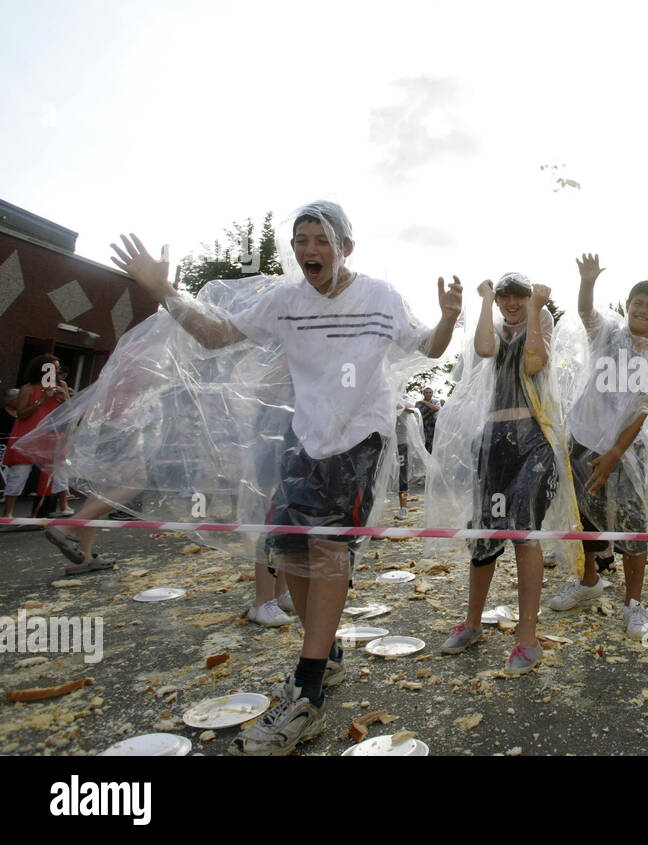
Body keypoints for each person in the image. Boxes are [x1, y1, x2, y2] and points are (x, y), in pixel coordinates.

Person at [110, 201, 462, 755]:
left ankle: (307, 690)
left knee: (326, 552)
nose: (309, 250)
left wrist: (446, 317)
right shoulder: (287, 300)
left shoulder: (380, 297)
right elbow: (217, 334)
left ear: (345, 245)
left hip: (359, 437)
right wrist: (165, 292)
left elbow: (428, 347)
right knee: (288, 549)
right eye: (300, 240)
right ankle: (328, 651)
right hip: (305, 436)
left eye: (320, 239)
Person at [436, 272, 579, 676]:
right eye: (506, 297)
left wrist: (535, 308)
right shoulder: (495, 325)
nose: (513, 303)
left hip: (533, 437)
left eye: (520, 296)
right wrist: (482, 301)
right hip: (494, 438)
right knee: (483, 535)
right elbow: (483, 349)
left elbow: (535, 360)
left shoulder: (541, 317)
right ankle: (473, 621)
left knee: (524, 532)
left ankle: (527, 637)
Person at [547, 254, 648, 638]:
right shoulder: (609, 334)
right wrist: (587, 281)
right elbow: (586, 313)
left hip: (628, 451)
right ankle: (588, 582)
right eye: (637, 303)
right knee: (584, 517)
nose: (643, 310)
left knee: (634, 521)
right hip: (585, 439)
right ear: (627, 306)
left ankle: (634, 604)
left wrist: (616, 452)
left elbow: (643, 410)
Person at [2, 355, 72, 522]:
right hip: (28, 435)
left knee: (55, 473)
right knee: (19, 474)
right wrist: (42, 400)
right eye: (52, 368)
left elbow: (71, 412)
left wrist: (64, 398)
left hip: (51, 436)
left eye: (57, 368)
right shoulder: (28, 388)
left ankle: (48, 509)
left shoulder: (60, 386)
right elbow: (21, 414)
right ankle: (8, 512)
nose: (56, 372)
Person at [416, 387, 439, 452]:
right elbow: (418, 418)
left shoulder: (436, 402)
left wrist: (424, 402)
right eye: (426, 392)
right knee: (423, 448)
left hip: (434, 429)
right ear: (423, 394)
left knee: (433, 448)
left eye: (430, 392)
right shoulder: (418, 404)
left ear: (432, 393)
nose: (428, 394)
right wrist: (429, 413)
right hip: (423, 429)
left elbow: (436, 409)